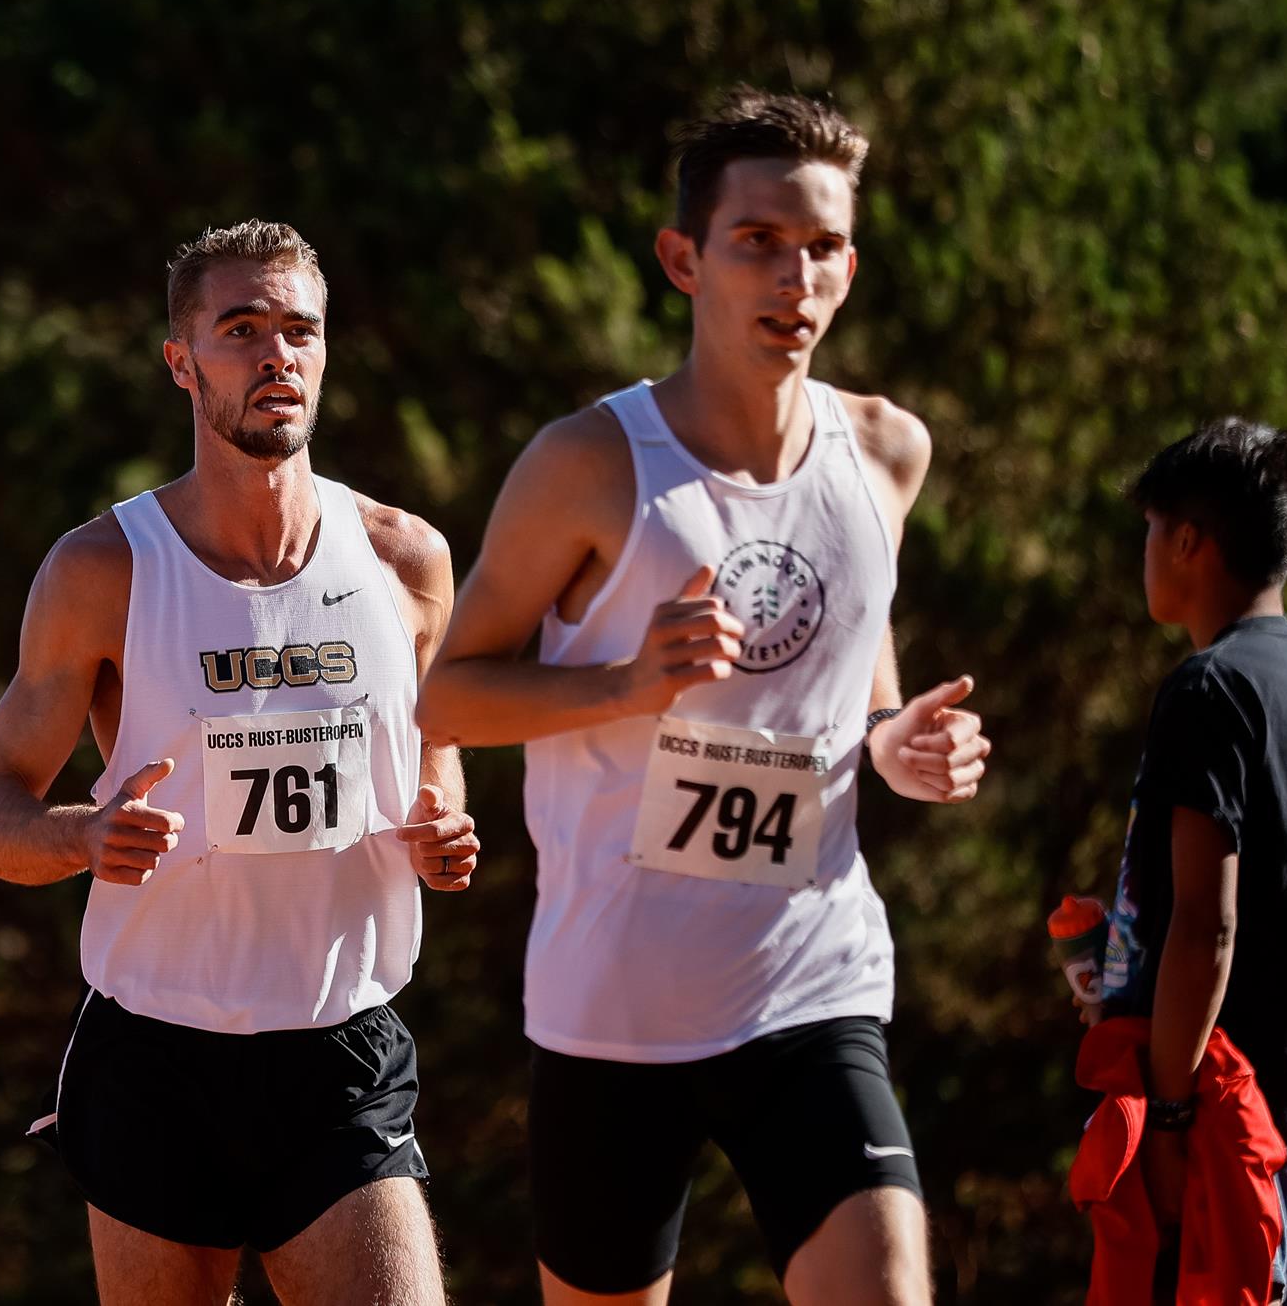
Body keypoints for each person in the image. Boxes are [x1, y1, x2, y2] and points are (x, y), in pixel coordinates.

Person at [418, 87, 991, 1306]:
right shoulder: (588, 463)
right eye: (757, 242)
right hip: (614, 1006)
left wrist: (899, 744)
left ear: (849, 266)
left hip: (813, 979)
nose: (794, 276)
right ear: (682, 259)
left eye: (821, 246)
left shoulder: (885, 452)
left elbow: (866, 688)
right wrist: (627, 682)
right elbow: (446, 700)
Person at [0, 220, 479, 1306]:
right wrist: (84, 837)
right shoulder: (103, 568)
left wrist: (439, 818)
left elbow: (433, 735)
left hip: (339, 1049)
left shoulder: (405, 557)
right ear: (181, 361)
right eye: (240, 329)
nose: (275, 353)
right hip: (156, 1056)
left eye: (299, 329)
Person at [1096, 418, 1287, 1304]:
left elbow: (1208, 924)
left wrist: (1168, 1114)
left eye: (1151, 528)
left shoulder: (1208, 689)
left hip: (1228, 1134)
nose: (1144, 551)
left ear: (1188, 541)